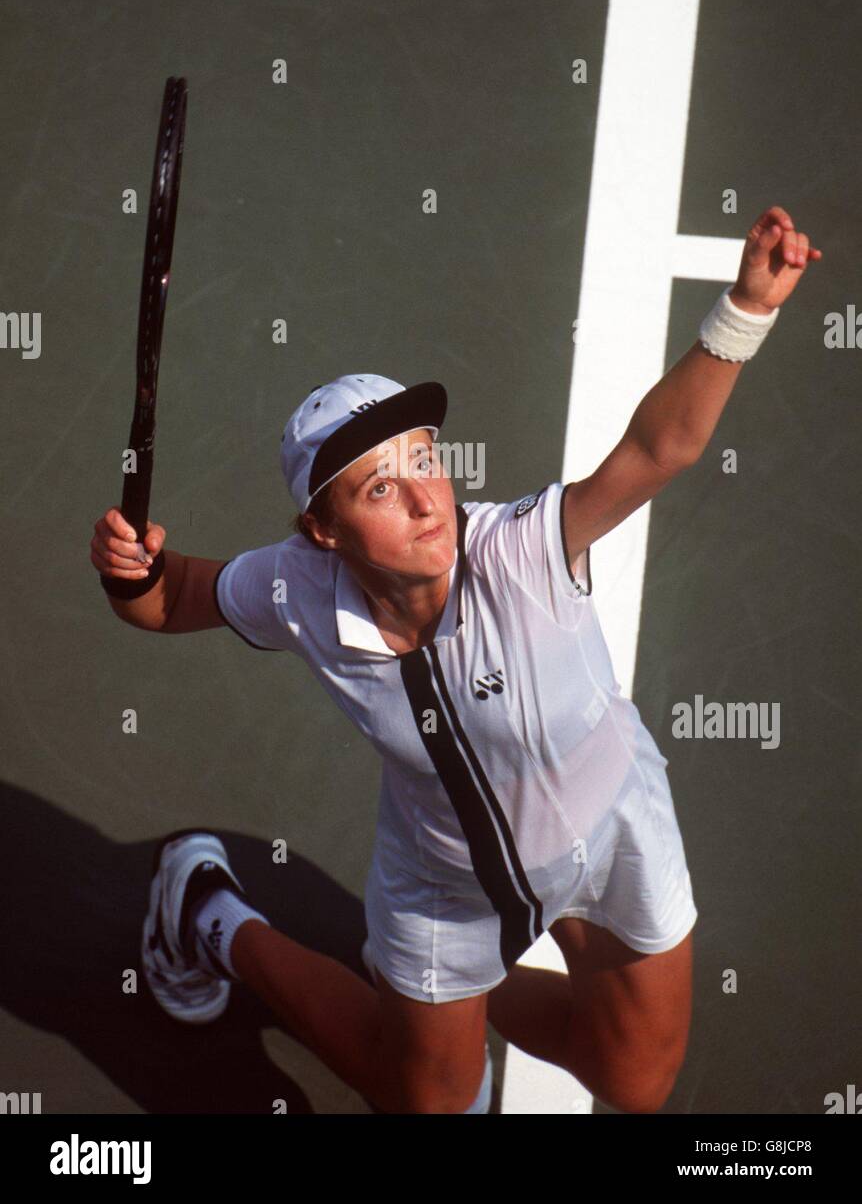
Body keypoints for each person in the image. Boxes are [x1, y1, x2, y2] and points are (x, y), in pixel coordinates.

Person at [91, 206, 820, 1115]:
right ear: (322, 531)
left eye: (425, 458)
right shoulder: (299, 589)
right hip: (444, 879)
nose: (427, 500)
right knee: (426, 1104)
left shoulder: (524, 551)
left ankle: (439, 1006)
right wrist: (132, 571)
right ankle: (208, 913)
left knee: (635, 1082)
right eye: (380, 487)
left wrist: (745, 311)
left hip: (609, 832)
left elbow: (657, 447)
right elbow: (169, 599)